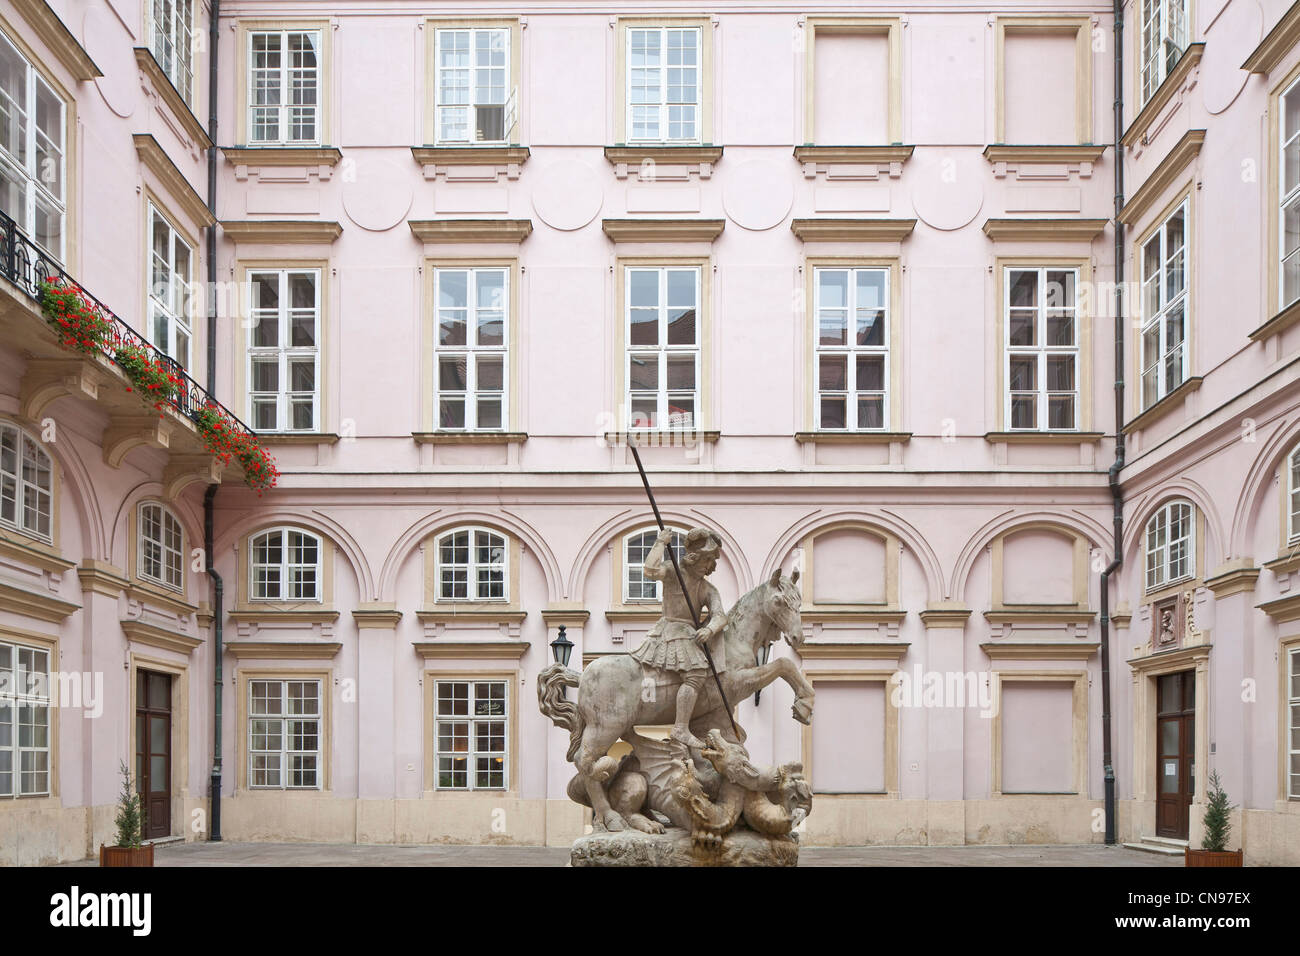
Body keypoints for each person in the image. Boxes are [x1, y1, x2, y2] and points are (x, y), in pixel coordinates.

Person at [629, 526, 728, 750]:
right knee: (695, 673)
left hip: (690, 633)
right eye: (708, 559)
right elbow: (650, 571)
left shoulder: (707, 588)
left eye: (713, 561)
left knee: (698, 674)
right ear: (695, 557)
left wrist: (710, 629)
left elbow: (720, 616)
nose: (711, 566)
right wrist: (660, 543)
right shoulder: (673, 571)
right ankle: (681, 728)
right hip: (671, 629)